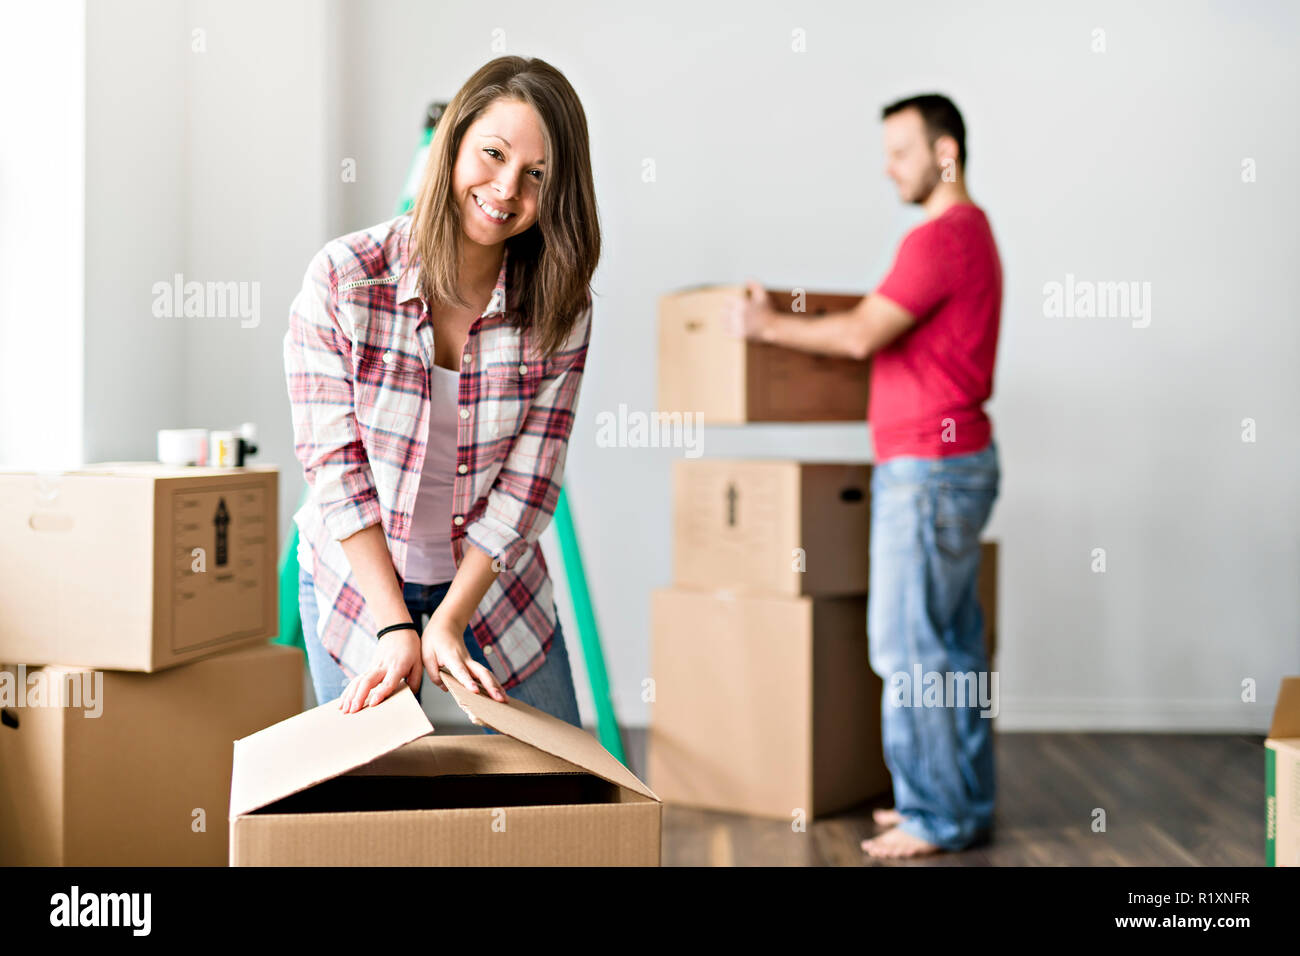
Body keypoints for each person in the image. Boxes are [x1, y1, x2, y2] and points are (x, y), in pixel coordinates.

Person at [283, 57, 600, 730]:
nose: (507, 188)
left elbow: (530, 485)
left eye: (537, 175)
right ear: (454, 142)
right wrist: (396, 625)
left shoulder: (560, 308)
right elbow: (335, 469)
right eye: (493, 153)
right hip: (358, 577)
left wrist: (450, 618)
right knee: (372, 802)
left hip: (491, 584)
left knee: (560, 791)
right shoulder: (345, 279)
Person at [723, 93, 1002, 858]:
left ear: (945, 153)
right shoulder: (973, 235)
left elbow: (858, 334)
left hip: (929, 469)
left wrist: (764, 325)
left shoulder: (939, 238)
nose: (889, 167)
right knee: (950, 647)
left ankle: (933, 818)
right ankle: (958, 804)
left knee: (910, 650)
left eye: (902, 151)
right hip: (957, 461)